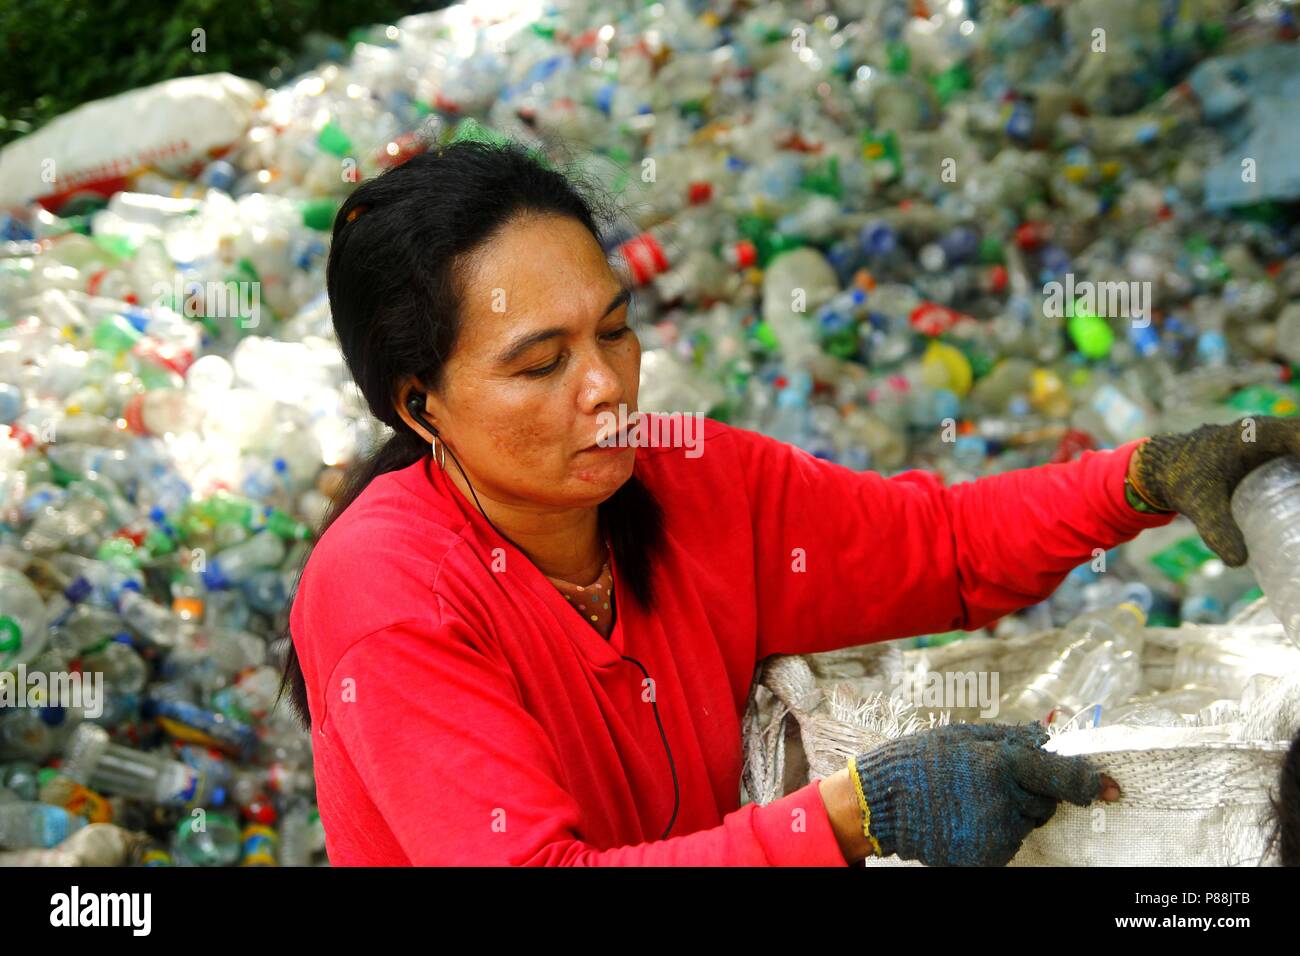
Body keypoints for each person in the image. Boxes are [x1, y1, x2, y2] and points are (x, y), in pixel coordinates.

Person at [279, 139, 1300, 866]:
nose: (606, 386)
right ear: (421, 405)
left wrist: (1143, 476)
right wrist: (858, 814)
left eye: (617, 329)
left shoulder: (680, 477)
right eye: (541, 363)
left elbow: (938, 548)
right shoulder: (388, 591)